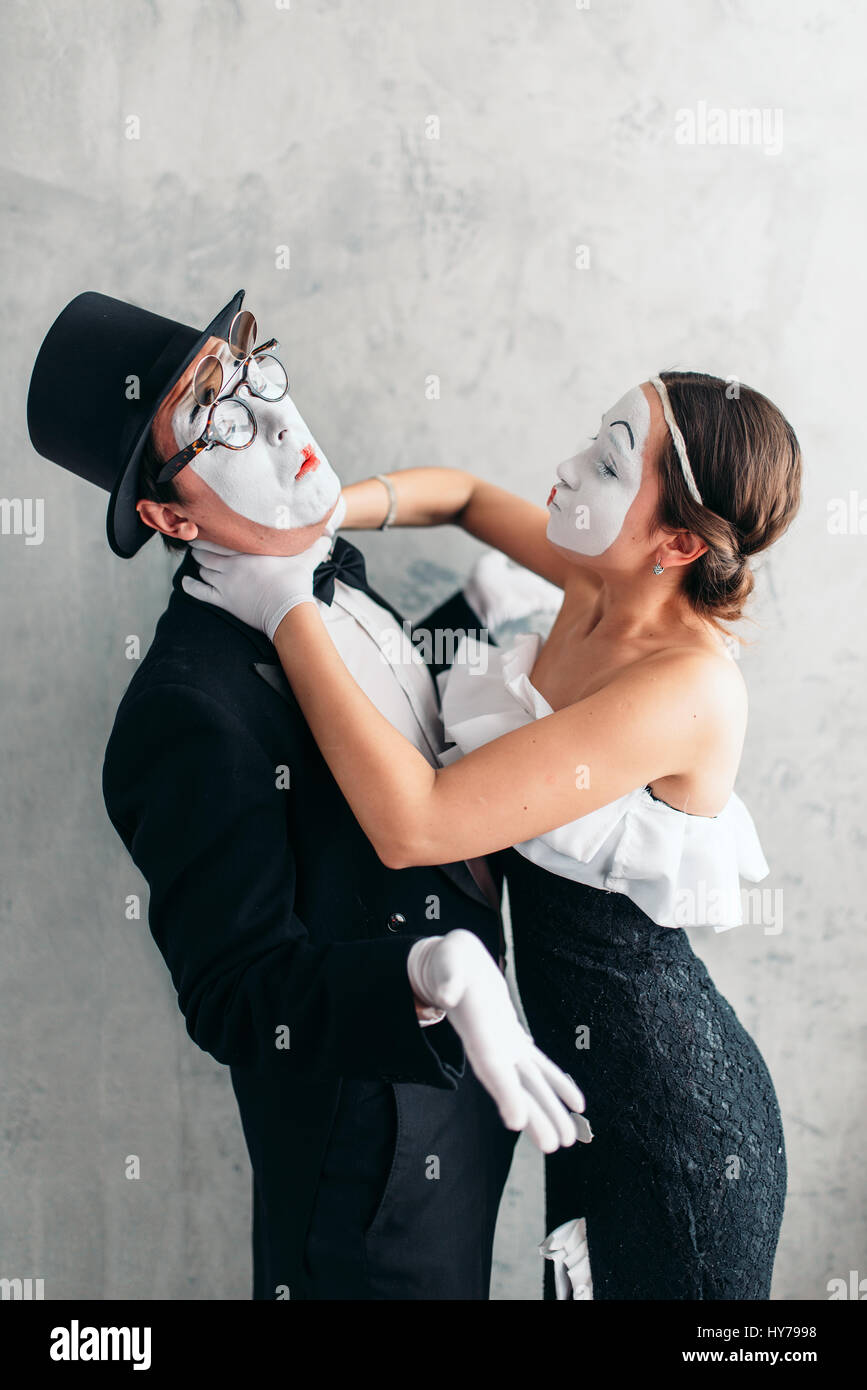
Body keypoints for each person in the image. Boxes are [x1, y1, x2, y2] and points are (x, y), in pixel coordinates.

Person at [186, 371, 802, 1299]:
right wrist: (315, 526)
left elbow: (414, 824)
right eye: (594, 436)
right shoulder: (599, 579)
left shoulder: (686, 686)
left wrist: (285, 603)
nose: (564, 469)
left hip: (675, 1119)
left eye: (605, 464)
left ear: (675, 541)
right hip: (582, 1093)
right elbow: (465, 497)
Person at [26, 287, 585, 1302]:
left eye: (255, 376)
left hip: (475, 1093)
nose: (279, 423)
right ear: (165, 512)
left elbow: (366, 726)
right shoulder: (183, 712)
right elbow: (238, 996)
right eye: (218, 421)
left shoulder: (319, 557)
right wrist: (433, 967)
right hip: (369, 1165)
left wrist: (477, 616)